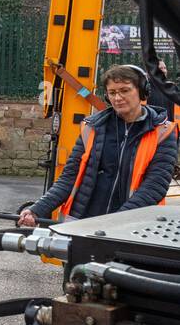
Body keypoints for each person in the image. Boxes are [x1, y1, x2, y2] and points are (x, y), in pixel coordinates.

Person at [18, 64, 179, 227]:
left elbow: (155, 185)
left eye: (125, 90)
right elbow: (69, 177)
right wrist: (37, 209)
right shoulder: (92, 128)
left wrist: (115, 222)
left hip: (132, 227)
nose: (118, 98)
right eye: (113, 93)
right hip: (83, 221)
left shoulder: (164, 132)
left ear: (142, 91)